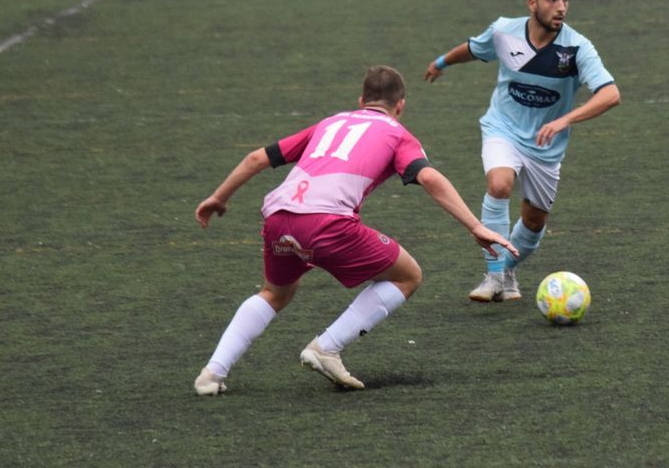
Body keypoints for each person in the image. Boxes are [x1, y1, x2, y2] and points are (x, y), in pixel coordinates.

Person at [192, 66, 516, 395]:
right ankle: (326, 347)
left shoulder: (330, 122)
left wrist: (219, 197)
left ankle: (212, 373)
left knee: (275, 293)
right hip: (327, 223)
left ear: (361, 101)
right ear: (401, 105)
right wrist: (476, 226)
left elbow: (255, 158)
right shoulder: (398, 134)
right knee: (408, 276)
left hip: (278, 217)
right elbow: (429, 177)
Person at [423, 0, 621, 303]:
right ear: (532, 3)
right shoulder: (504, 31)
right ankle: (493, 276)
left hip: (545, 146)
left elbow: (611, 94)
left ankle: (507, 270)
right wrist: (442, 62)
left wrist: (564, 120)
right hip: (502, 127)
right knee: (499, 184)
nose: (561, 7)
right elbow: (474, 48)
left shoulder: (576, 48)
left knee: (533, 221)